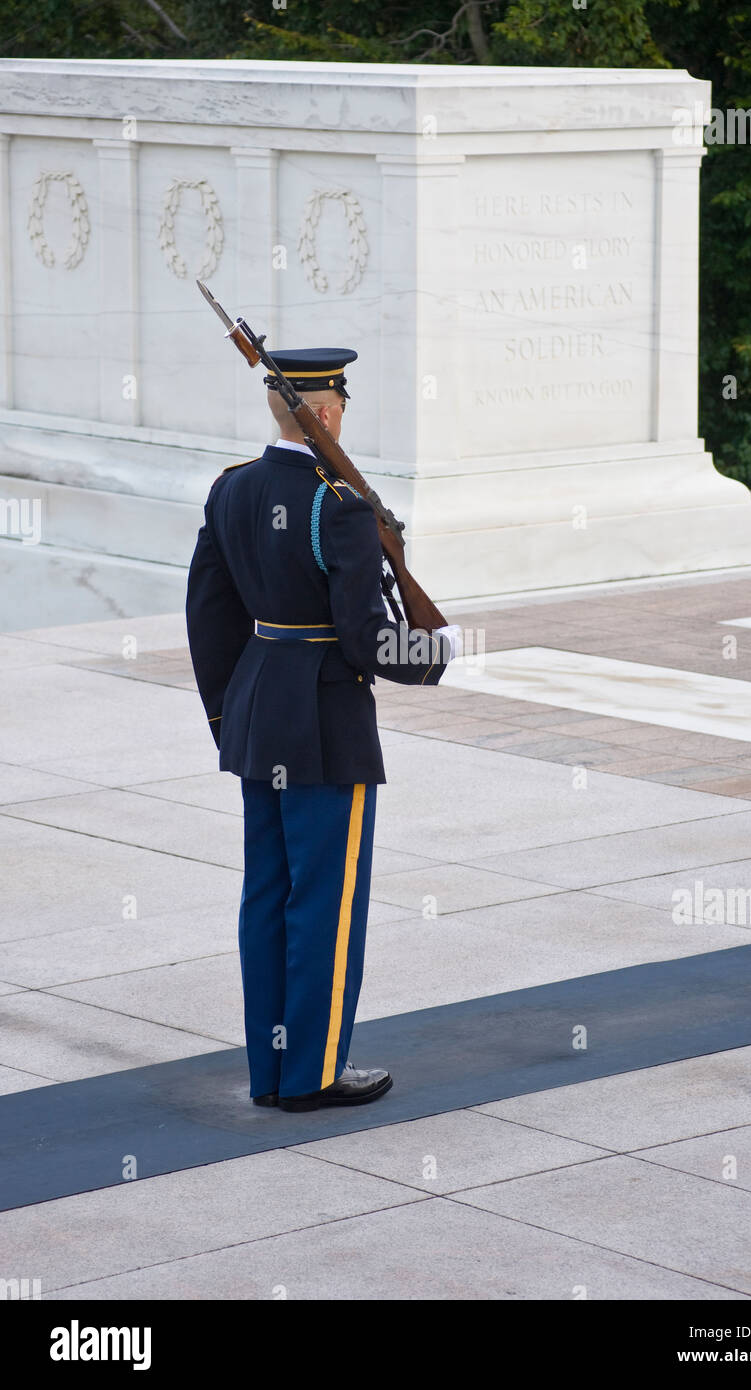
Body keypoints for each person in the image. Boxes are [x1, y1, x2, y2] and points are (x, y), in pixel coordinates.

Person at [185, 348, 462, 1112]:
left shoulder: (231, 489)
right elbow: (367, 641)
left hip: (255, 716)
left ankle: (270, 1071)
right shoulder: (335, 504)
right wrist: (437, 652)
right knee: (325, 904)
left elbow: (209, 621)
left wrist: (226, 716)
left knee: (267, 895)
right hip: (324, 725)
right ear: (329, 410)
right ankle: (311, 1072)